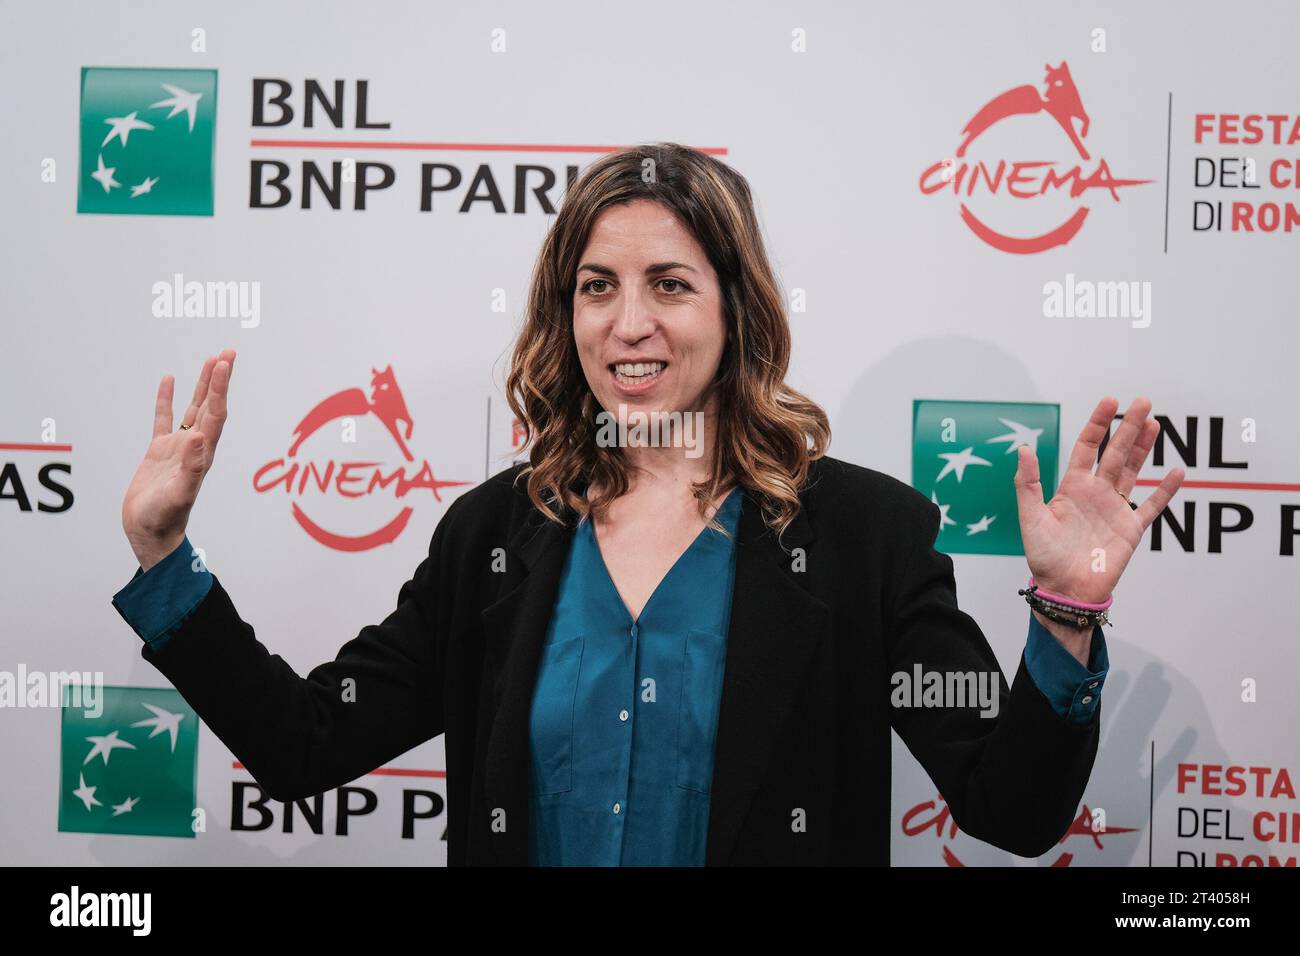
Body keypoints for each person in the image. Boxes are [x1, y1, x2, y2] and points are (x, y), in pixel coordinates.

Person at [114, 142, 1185, 865]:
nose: (629, 323)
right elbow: (306, 744)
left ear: (734, 310)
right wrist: (166, 556)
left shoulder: (867, 537)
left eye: (669, 283)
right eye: (598, 286)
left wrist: (1065, 615)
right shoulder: (491, 536)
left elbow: (1012, 811)